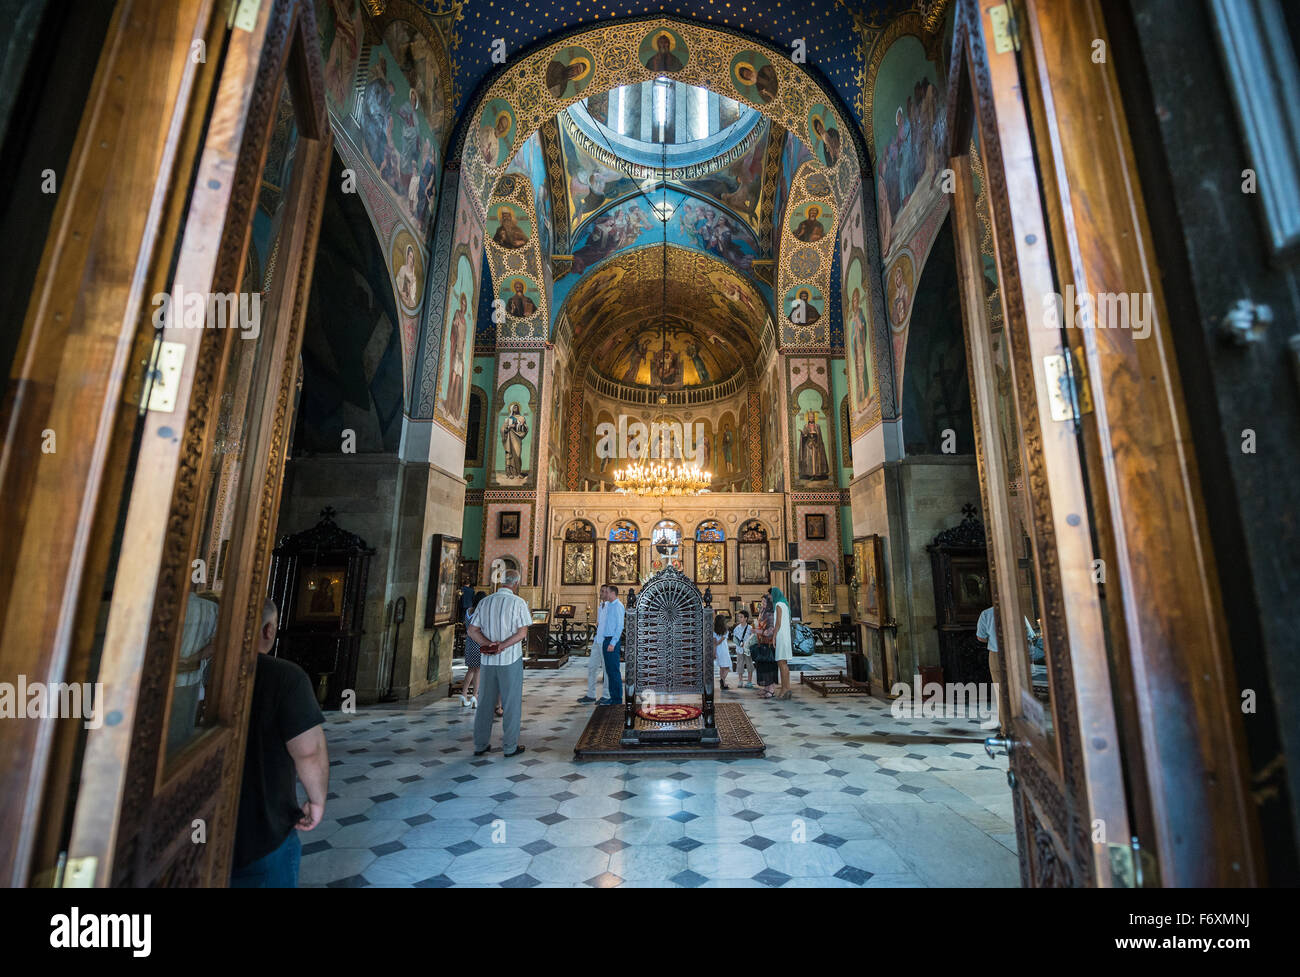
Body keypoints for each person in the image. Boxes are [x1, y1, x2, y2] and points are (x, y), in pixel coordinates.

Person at [230, 600, 327, 888]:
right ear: (269, 630)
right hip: (261, 832)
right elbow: (309, 751)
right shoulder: (284, 677)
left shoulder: (199, 669)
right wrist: (317, 800)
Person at [466, 569, 532, 757]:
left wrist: (489, 645)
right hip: (510, 659)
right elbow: (522, 633)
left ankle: (480, 745)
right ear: (516, 583)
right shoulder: (518, 602)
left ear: (500, 582)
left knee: (485, 702)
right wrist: (502, 646)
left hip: (487, 661)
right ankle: (510, 747)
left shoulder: (485, 602)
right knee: (511, 703)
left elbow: (472, 630)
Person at [578, 586, 611, 704]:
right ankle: (591, 694)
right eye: (601, 591)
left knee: (606, 670)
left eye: (604, 591)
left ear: (609, 593)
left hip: (605, 640)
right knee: (592, 667)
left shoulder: (611, 607)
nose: (601, 593)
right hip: (597, 640)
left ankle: (606, 695)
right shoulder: (600, 607)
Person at [594, 585, 625, 705]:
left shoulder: (618, 606)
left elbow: (619, 626)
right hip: (606, 639)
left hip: (612, 640)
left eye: (607, 592)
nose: (605, 594)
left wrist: (613, 642)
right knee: (609, 670)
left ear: (612, 593)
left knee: (614, 671)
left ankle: (617, 699)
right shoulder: (609, 606)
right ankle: (612, 697)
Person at [459, 590, 487, 709]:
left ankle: (463, 694)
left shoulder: (468, 611)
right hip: (478, 642)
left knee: (470, 670)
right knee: (478, 671)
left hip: (469, 643)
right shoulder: (481, 612)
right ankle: (475, 696)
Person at [770, 586, 794, 700]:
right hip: (785, 636)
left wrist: (774, 636)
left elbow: (778, 623)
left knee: (781, 663)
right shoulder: (785, 604)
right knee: (784, 663)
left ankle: (785, 689)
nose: (770, 597)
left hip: (781, 636)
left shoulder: (779, 605)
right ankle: (787, 688)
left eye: (771, 594)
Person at [731, 609, 755, 689]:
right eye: (739, 617)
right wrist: (739, 644)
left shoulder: (750, 628)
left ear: (746, 618)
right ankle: (740, 680)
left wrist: (747, 643)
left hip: (747, 650)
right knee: (740, 665)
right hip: (740, 649)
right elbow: (734, 638)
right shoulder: (736, 628)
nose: (739, 618)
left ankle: (749, 681)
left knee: (749, 665)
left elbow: (753, 638)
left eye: (741, 617)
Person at [976, 605, 998, 685]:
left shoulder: (986, 613)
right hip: (1015, 652)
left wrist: (993, 640)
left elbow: (981, 637)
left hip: (996, 654)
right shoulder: (1016, 611)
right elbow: (1029, 634)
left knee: (1000, 691)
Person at [713, 612, 733, 691]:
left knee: (722, 667)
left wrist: (714, 651)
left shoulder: (714, 630)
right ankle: (722, 680)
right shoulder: (725, 630)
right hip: (724, 649)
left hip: (718, 649)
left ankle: (723, 682)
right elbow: (721, 641)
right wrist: (718, 642)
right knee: (727, 667)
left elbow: (715, 642)